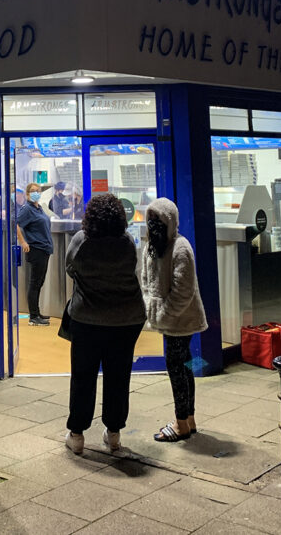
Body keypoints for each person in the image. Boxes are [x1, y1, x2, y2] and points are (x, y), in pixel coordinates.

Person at [64, 193, 146, 455]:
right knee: (118, 377)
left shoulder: (82, 240)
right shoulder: (126, 242)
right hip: (126, 320)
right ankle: (113, 435)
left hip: (87, 318)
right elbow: (133, 268)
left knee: (83, 377)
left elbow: (70, 267)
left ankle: (77, 435)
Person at [141, 197, 207, 443]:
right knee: (184, 366)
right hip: (169, 320)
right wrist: (151, 305)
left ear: (170, 221)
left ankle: (181, 425)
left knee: (177, 369)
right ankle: (188, 420)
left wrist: (164, 314)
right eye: (151, 219)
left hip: (181, 321)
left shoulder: (181, 247)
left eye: (158, 219)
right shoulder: (153, 245)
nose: (153, 224)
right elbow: (146, 278)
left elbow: (183, 291)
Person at [16, 182, 53, 326]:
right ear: (27, 194)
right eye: (32, 191)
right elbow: (17, 225)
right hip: (36, 249)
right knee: (35, 283)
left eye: (38, 190)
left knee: (39, 282)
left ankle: (37, 312)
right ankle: (33, 316)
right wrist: (23, 242)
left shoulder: (39, 208)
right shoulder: (27, 209)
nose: (36, 192)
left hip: (44, 249)